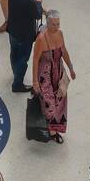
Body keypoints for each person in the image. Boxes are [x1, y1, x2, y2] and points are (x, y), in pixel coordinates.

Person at [32, 8, 74, 141]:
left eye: (58, 24)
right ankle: (51, 130)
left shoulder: (60, 34)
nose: (56, 27)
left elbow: (64, 51)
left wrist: (71, 68)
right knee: (49, 103)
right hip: (45, 74)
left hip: (59, 71)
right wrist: (35, 81)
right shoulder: (41, 39)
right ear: (47, 23)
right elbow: (35, 60)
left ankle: (55, 129)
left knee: (61, 99)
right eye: (53, 24)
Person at [6, 0, 42, 94]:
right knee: (22, 60)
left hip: (12, 30)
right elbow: (37, 15)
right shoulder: (30, 1)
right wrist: (38, 3)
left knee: (13, 53)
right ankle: (17, 84)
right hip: (24, 36)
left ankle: (15, 72)